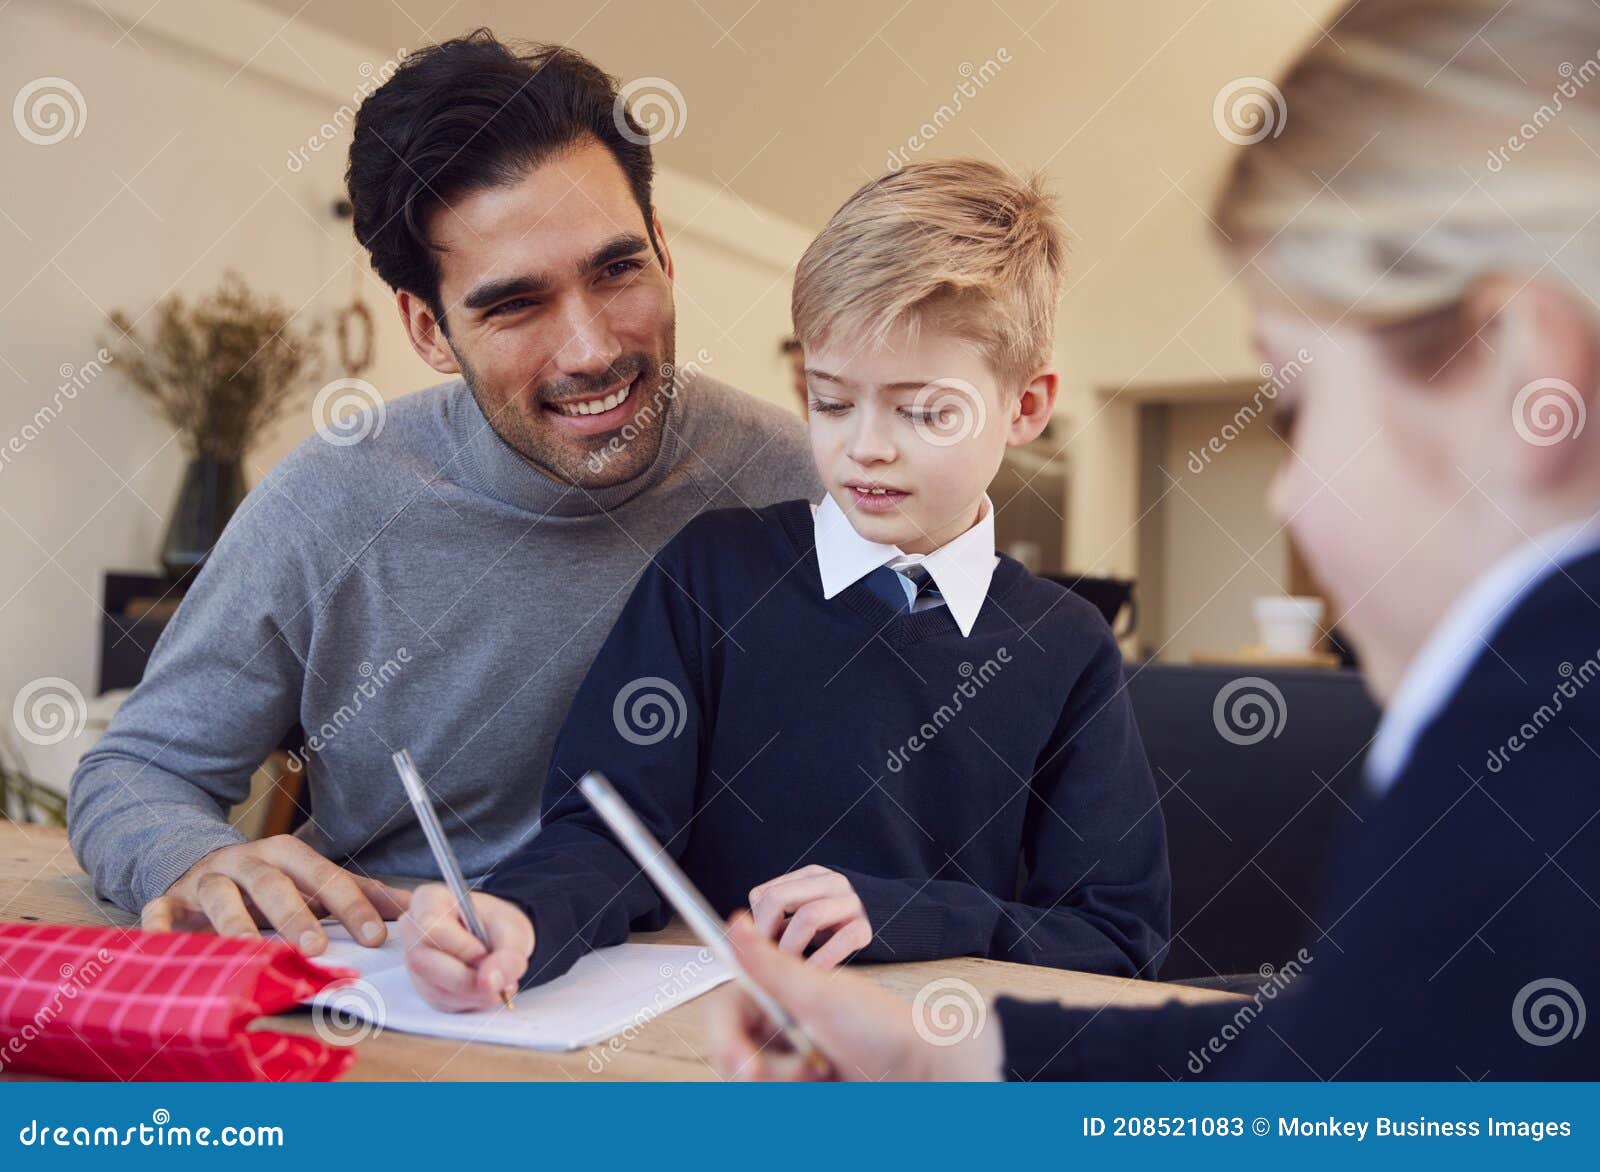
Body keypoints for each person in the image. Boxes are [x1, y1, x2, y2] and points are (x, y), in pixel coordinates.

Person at [703, 0, 1600, 1080]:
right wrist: (938, 1053)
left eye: (1295, 405)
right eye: (830, 399)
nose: (1286, 502)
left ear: (1521, 375)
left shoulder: (1528, 761)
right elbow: (1345, 1061)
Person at [67, 31, 817, 956]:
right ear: (428, 329)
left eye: (617, 269)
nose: (589, 349)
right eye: (514, 304)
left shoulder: (802, 480)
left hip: (709, 996)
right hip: (402, 978)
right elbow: (139, 765)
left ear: (665, 248)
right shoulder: (335, 498)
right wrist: (192, 858)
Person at [397, 160, 1170, 1011]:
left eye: (924, 412)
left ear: (1027, 408)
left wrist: (909, 915)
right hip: (700, 1048)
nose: (865, 448)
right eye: (832, 402)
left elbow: (1116, 938)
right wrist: (520, 918)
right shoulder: (713, 574)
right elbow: (608, 838)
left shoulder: (1064, 645)